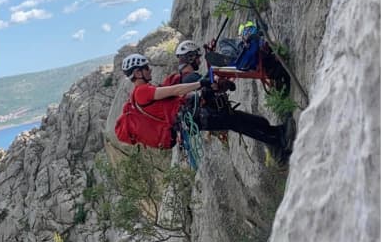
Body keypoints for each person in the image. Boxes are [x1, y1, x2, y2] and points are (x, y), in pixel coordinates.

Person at [122, 53, 290, 162]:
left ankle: (277, 138)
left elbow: (175, 98)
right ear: (137, 73)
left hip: (192, 116)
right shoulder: (141, 92)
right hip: (193, 117)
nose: (149, 69)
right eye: (145, 68)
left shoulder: (144, 91)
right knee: (236, 121)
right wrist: (200, 83)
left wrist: (203, 91)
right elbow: (175, 90)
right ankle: (279, 140)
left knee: (237, 120)